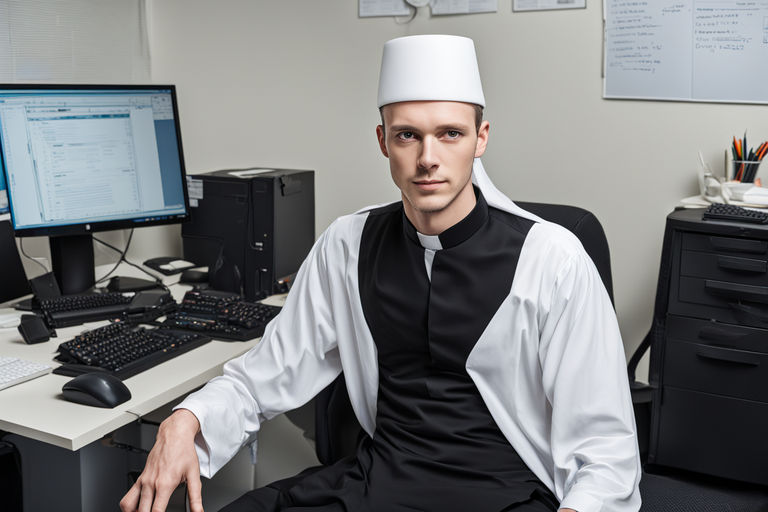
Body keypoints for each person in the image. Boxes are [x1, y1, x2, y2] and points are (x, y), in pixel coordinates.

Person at [120, 34, 641, 512]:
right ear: (382, 140)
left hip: (504, 494)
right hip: (377, 484)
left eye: (450, 134)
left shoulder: (553, 259)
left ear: (481, 138)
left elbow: (606, 452)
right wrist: (185, 421)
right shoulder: (347, 246)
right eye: (408, 136)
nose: (428, 158)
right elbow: (263, 378)